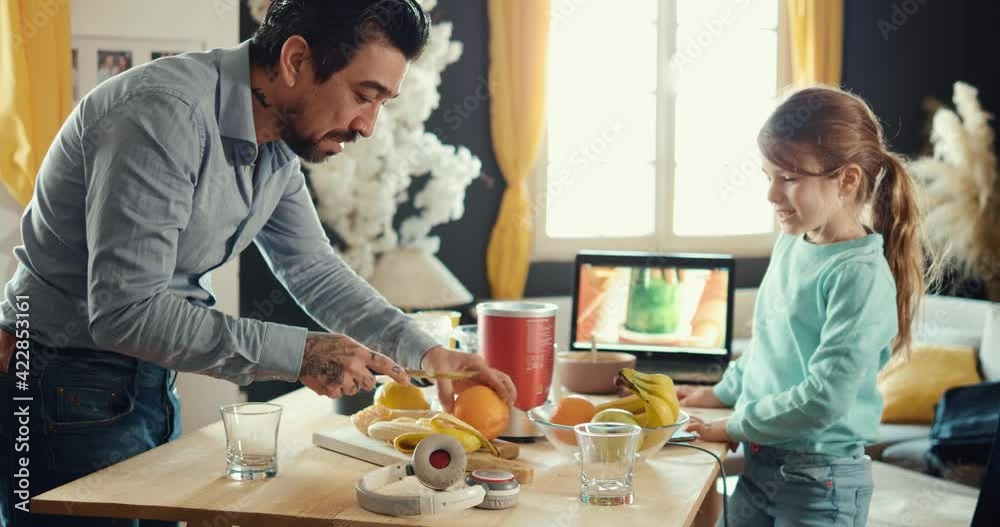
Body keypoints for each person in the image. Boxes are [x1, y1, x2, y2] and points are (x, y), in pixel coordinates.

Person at [0, 1, 514, 526]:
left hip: (143, 382)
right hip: (58, 384)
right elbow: (126, 311)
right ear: (295, 60)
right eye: (364, 96)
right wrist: (302, 353)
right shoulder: (163, 114)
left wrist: (426, 353)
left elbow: (313, 269)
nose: (368, 126)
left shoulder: (274, 139)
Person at [683, 86, 935, 526]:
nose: (772, 196)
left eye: (790, 179)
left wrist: (733, 425)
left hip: (820, 484)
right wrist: (722, 392)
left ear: (848, 180)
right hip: (762, 469)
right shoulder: (791, 243)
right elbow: (767, 343)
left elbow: (824, 400)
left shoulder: (858, 275)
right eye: (769, 177)